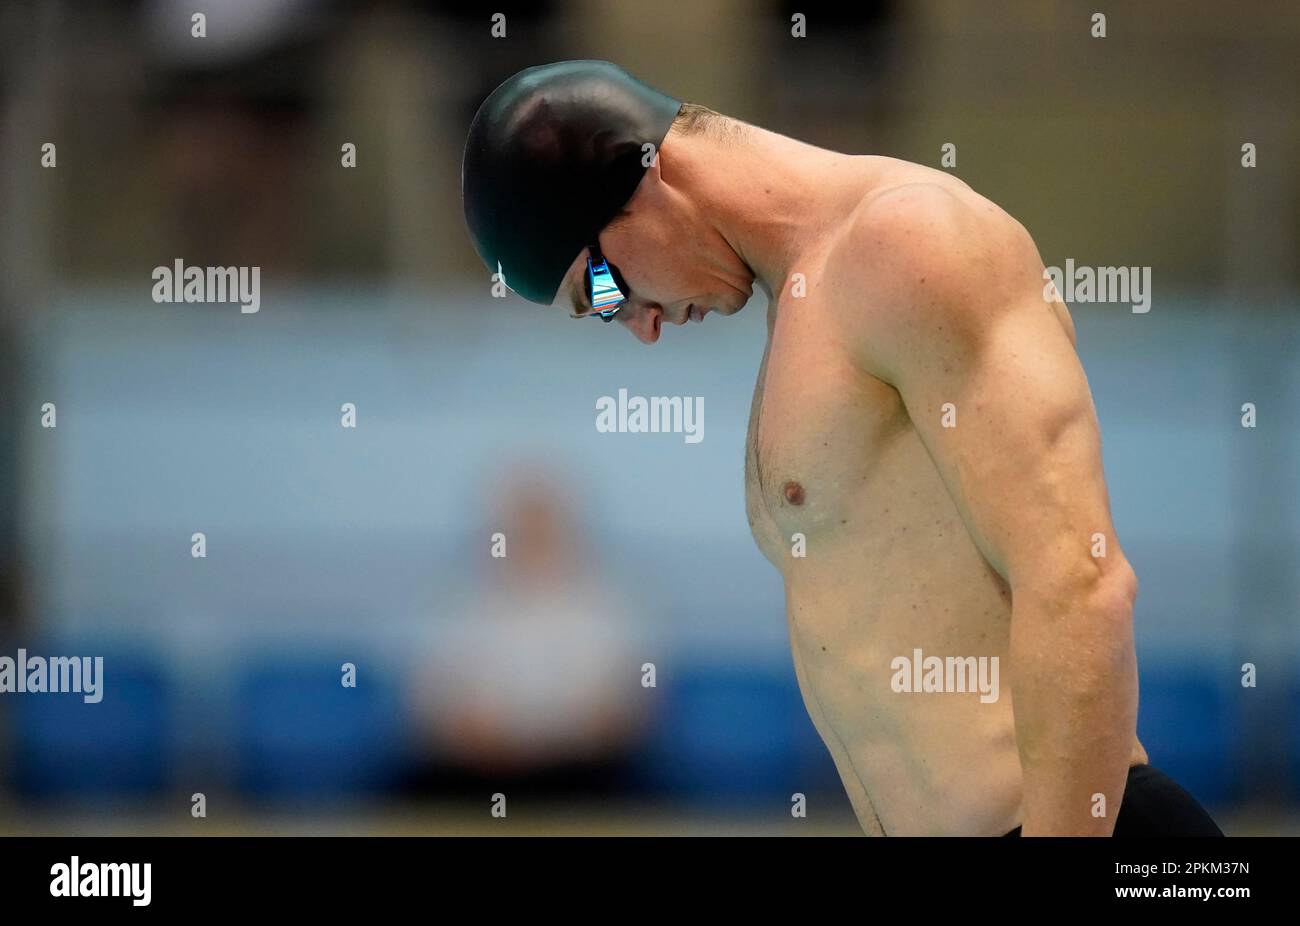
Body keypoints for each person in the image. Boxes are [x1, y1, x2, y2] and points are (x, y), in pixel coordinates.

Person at [461, 60, 1224, 836]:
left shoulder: (906, 242)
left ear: (639, 173)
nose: (640, 325)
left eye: (603, 293)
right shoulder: (802, 305)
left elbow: (1080, 580)